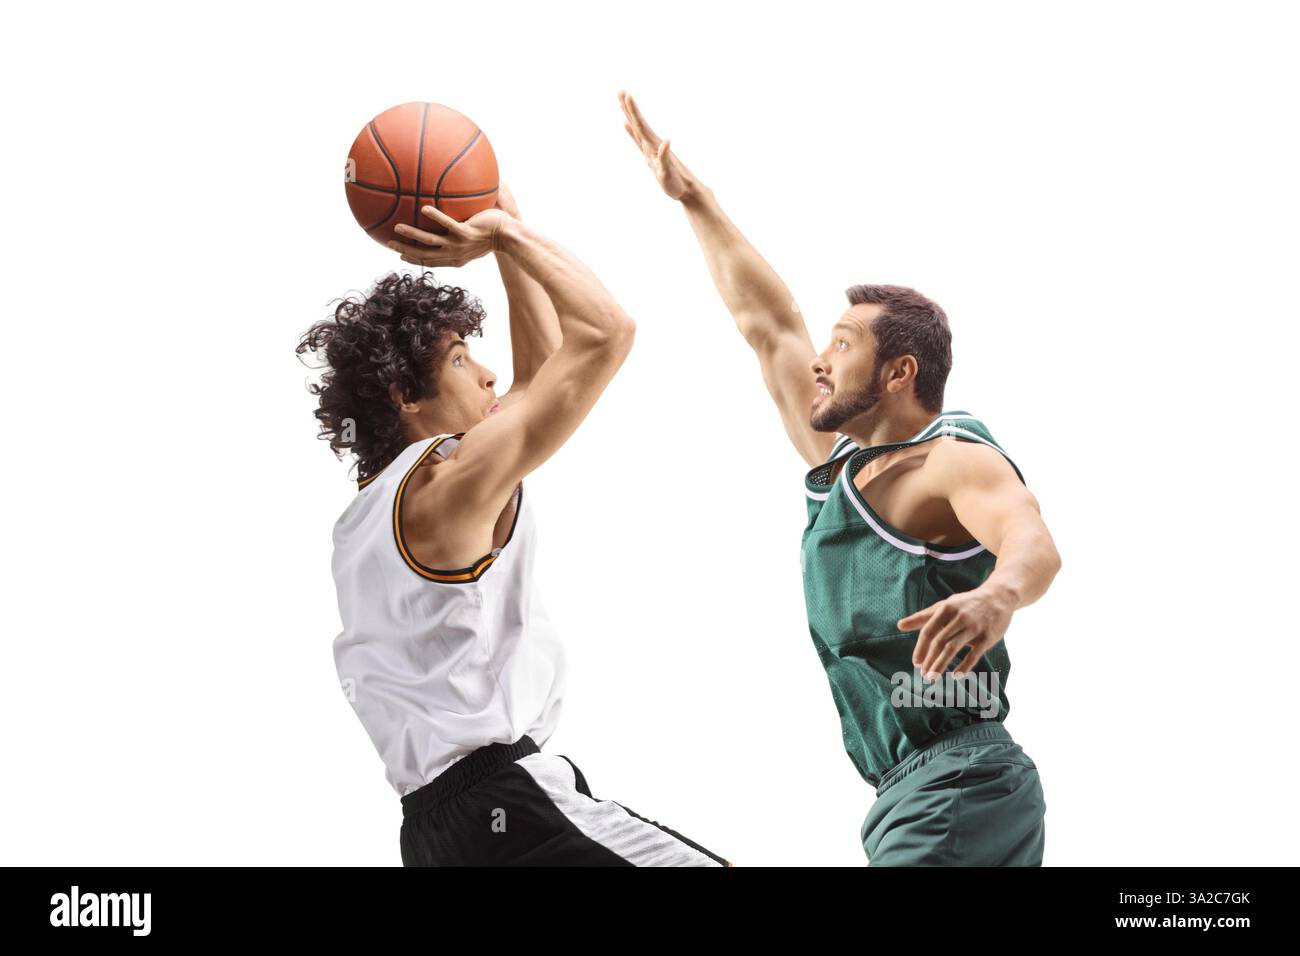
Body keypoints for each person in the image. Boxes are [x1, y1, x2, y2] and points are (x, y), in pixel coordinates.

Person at [619, 92, 1061, 866]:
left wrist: (999, 592)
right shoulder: (842, 470)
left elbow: (1031, 540)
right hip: (907, 793)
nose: (819, 359)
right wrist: (696, 200)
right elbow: (768, 325)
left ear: (898, 372)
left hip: (961, 779)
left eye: (844, 343)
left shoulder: (950, 457)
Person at [297, 183, 730, 867]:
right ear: (407, 396)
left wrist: (510, 233)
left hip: (436, 835)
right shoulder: (447, 484)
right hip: (507, 801)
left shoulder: (373, 512)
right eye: (462, 360)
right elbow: (606, 332)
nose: (490, 373)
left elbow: (536, 380)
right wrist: (504, 236)